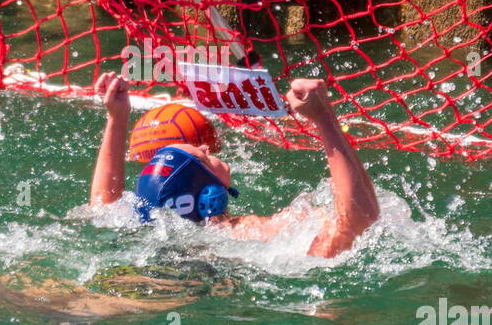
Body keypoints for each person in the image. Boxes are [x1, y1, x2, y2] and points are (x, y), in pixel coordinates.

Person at [90, 71, 380, 258]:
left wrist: (117, 118)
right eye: (202, 156)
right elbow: (360, 221)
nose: (205, 146)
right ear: (208, 197)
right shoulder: (244, 239)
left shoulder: (151, 227)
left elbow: (103, 206)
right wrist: (324, 118)